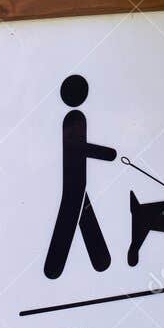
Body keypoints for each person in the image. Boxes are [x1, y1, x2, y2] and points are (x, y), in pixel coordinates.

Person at [43, 74, 117, 279]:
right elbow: (78, 148)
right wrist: (109, 154)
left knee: (82, 216)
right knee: (69, 217)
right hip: (74, 181)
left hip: (78, 180)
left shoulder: (77, 118)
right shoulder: (74, 119)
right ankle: (54, 267)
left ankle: (100, 260)